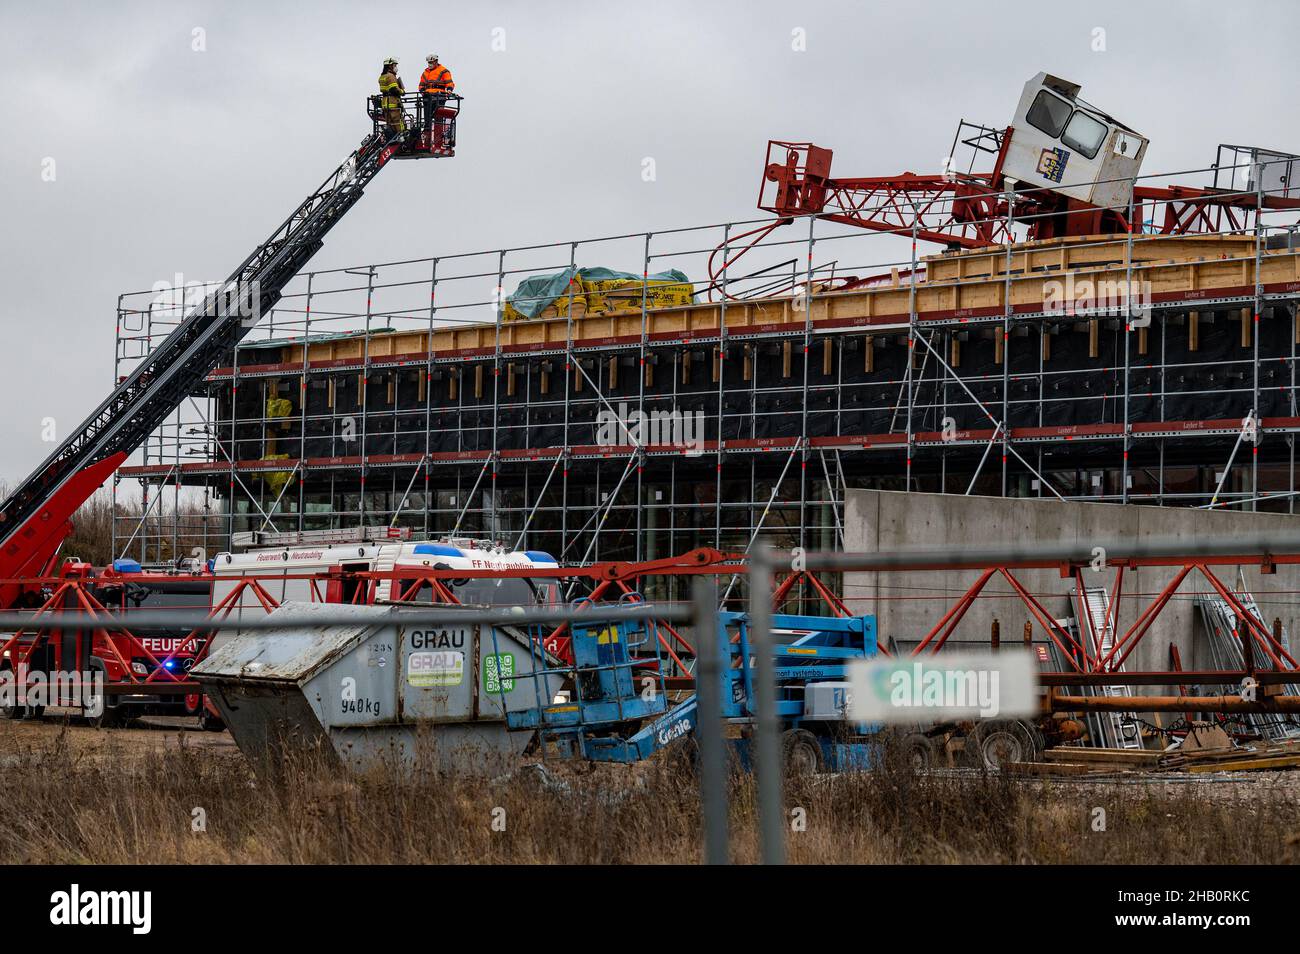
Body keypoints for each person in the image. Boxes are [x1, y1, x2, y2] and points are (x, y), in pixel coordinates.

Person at [419, 53, 454, 136]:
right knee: (427, 115)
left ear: (436, 61)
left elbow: (449, 82)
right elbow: (421, 85)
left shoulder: (443, 71)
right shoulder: (425, 72)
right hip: (428, 97)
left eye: (431, 62)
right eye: (428, 62)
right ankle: (427, 130)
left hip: (439, 96)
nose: (430, 64)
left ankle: (438, 132)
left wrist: (449, 89)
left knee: (438, 115)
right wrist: (422, 91)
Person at [378, 57, 406, 133]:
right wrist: (402, 91)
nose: (396, 67)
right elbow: (394, 89)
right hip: (392, 102)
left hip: (385, 103)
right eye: (395, 65)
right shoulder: (391, 76)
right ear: (390, 66)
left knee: (390, 122)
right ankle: (402, 136)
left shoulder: (382, 77)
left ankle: (393, 137)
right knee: (398, 122)